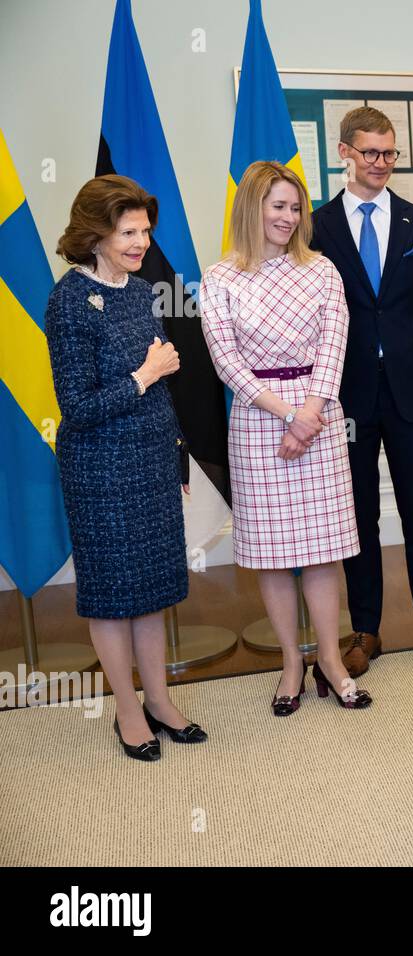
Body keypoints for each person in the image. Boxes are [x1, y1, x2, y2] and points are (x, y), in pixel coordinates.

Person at [46, 174, 206, 761]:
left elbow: (161, 386)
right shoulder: (68, 301)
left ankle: (160, 701)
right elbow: (78, 407)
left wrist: (176, 451)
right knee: (115, 594)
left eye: (145, 230)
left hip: (151, 459)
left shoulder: (140, 291)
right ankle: (128, 710)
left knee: (153, 588)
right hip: (100, 471)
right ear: (96, 233)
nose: (141, 242)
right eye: (129, 231)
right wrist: (146, 374)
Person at [200, 161, 369, 712]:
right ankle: (291, 663)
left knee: (323, 551)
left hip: (318, 414)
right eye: (278, 206)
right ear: (252, 207)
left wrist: (309, 413)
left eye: (295, 207)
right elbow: (226, 362)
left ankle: (331, 659)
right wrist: (284, 415)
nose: (289, 216)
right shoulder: (220, 278)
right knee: (273, 555)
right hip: (256, 422)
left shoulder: (321, 270)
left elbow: (334, 345)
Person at [309, 106, 413, 677]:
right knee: (358, 518)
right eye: (370, 152)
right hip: (344, 398)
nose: (381, 163)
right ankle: (365, 630)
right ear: (344, 151)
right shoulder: (316, 227)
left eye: (390, 152)